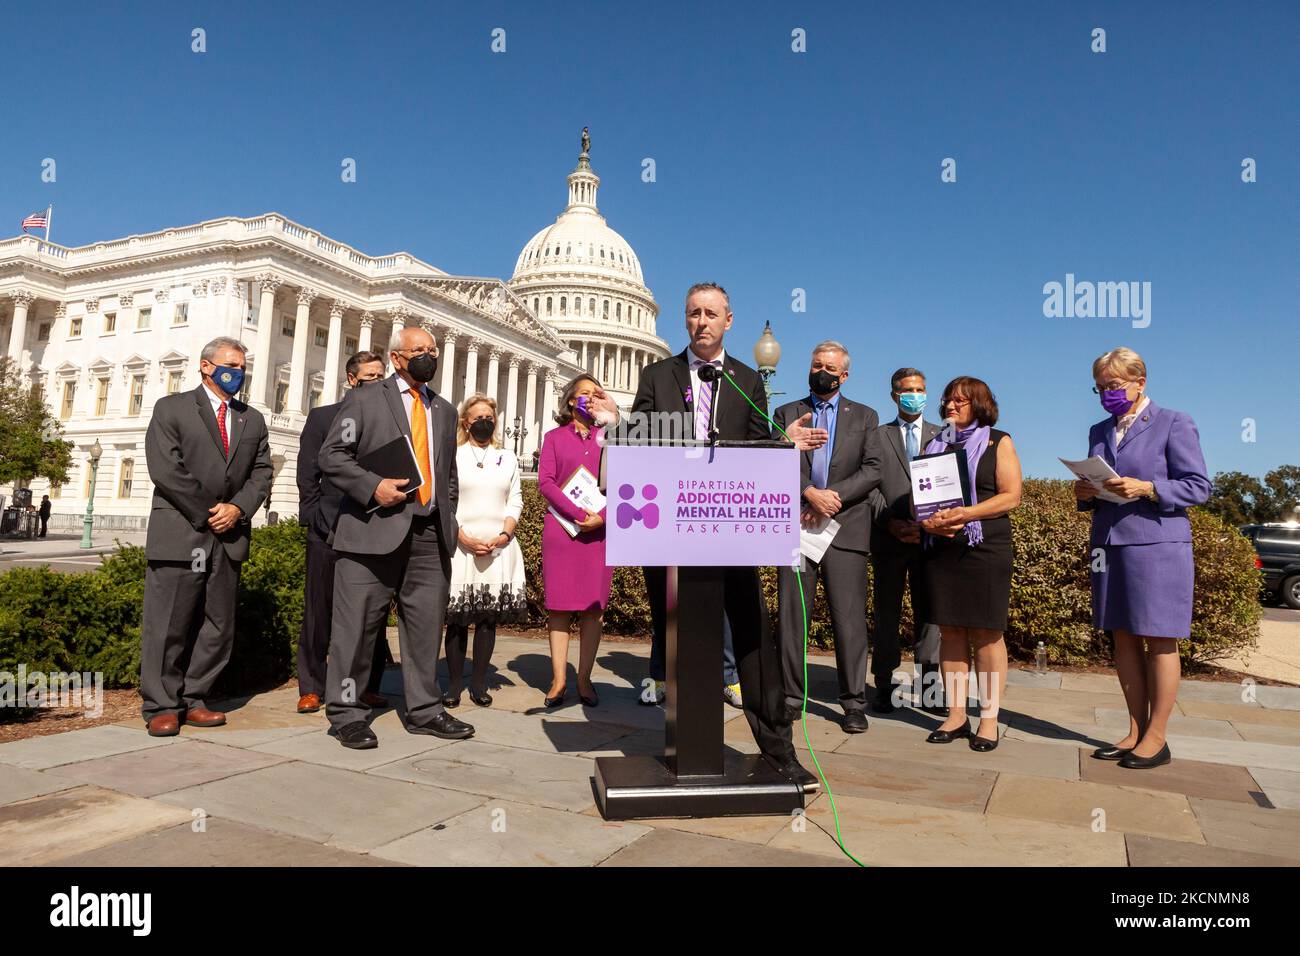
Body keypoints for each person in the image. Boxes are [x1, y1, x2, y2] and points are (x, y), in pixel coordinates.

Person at [591, 282, 829, 790]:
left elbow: (762, 442)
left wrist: (784, 443)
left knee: (751, 638)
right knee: (680, 638)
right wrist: (621, 427)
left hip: (732, 531)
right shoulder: (659, 375)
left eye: (711, 314)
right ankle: (686, 746)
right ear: (686, 320)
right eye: (693, 313)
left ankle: (778, 750)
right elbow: (644, 440)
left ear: (728, 321)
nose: (702, 321)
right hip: (670, 533)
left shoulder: (746, 380)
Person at [318, 325, 472, 750]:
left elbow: (448, 475)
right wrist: (372, 486)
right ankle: (347, 713)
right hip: (371, 532)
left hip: (428, 534)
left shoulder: (443, 410)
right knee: (355, 632)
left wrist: (449, 516)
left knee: (424, 629)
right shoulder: (364, 399)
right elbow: (331, 455)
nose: (429, 356)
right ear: (398, 359)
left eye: (433, 350)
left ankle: (425, 709)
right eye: (419, 350)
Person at [1077, 348, 1210, 769]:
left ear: (1141, 382)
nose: (1107, 394)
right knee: (1123, 636)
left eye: (1114, 386)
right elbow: (1100, 489)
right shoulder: (1099, 430)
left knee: (1160, 638)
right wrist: (1085, 494)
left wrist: (1150, 488)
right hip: (1110, 544)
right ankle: (1134, 730)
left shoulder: (1174, 422)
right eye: (1100, 388)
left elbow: (1199, 486)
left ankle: (1157, 737)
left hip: (1158, 545)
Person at [139, 337, 272, 736]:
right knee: (169, 624)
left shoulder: (253, 419)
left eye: (243, 366)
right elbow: (165, 468)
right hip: (181, 532)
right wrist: (209, 510)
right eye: (231, 364)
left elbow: (261, 472)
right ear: (206, 366)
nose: (238, 372)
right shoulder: (172, 408)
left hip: (228, 538)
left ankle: (194, 697)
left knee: (218, 625)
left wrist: (238, 509)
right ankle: (161, 704)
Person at [772, 341, 881, 733]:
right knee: (792, 616)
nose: (822, 371)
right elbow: (772, 459)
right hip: (797, 525)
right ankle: (789, 698)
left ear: (844, 375)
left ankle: (853, 703)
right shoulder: (787, 413)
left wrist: (832, 498)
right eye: (816, 364)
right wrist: (808, 492)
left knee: (849, 619)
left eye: (830, 367)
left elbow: (873, 469)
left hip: (846, 528)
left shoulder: (866, 416)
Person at [919, 376, 1022, 752]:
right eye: (948, 400)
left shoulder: (999, 441)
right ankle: (956, 715)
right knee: (951, 631)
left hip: (985, 546)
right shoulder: (933, 444)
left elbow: (1011, 497)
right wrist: (927, 521)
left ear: (979, 405)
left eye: (960, 401)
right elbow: (924, 499)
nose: (950, 406)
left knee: (986, 632)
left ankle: (989, 718)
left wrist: (967, 513)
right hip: (943, 547)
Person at [294, 350, 393, 715]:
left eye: (383, 375)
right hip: (329, 527)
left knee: (371, 615)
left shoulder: (391, 422)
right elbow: (308, 474)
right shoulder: (323, 417)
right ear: (352, 380)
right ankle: (311, 685)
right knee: (319, 610)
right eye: (370, 376)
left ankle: (364, 686)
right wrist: (316, 517)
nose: (379, 382)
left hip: (373, 528)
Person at [867, 368, 946, 716]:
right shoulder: (877, 435)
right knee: (886, 613)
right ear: (894, 395)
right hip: (889, 539)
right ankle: (883, 685)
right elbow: (868, 485)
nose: (915, 394)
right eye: (908, 389)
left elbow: (950, 484)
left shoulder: (941, 435)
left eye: (920, 389)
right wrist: (891, 522)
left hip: (930, 541)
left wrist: (928, 525)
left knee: (931, 615)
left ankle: (930, 686)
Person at [443, 393, 526, 708]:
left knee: (487, 619)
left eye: (490, 418)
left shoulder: (507, 457)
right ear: (466, 421)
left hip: (498, 546)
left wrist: (505, 534)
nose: (485, 422)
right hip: (461, 546)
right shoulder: (454, 454)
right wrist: (460, 535)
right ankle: (452, 685)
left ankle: (478, 684)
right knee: (457, 619)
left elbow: (515, 498)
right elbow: (445, 500)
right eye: (478, 418)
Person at [537, 375, 612, 708]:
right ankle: (558, 679)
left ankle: (584, 678)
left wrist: (603, 517)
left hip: (599, 533)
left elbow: (623, 483)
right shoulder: (554, 438)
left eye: (595, 395)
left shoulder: (609, 439)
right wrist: (578, 513)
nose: (589, 400)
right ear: (570, 401)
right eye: (584, 394)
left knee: (593, 610)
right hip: (562, 530)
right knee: (559, 608)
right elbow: (546, 483)